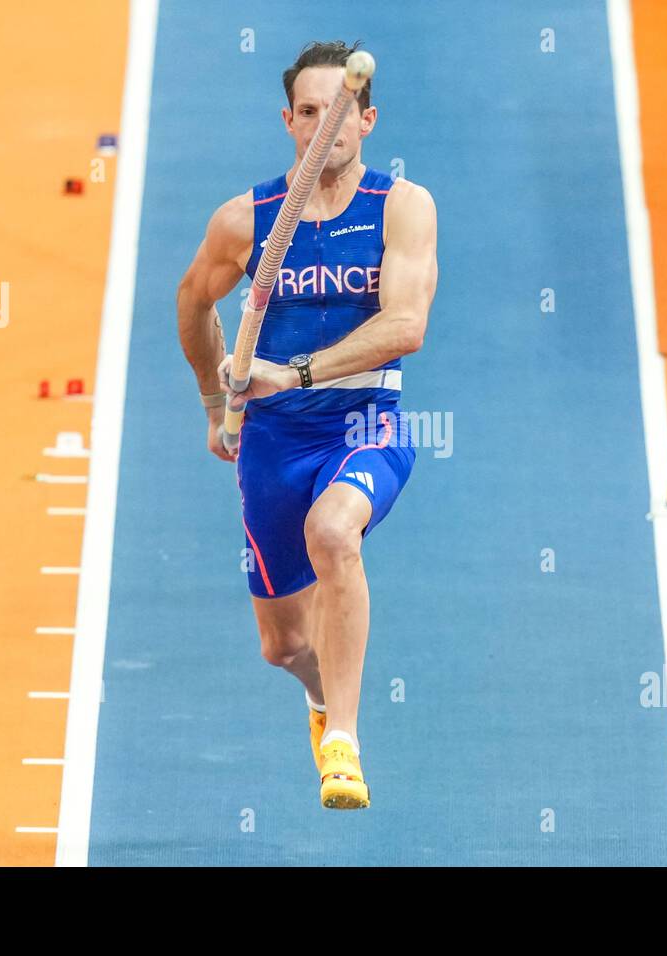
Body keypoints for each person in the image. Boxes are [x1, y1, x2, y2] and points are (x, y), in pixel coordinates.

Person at [175, 40, 439, 809]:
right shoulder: (245, 221)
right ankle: (321, 699)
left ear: (369, 119)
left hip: (365, 424)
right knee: (285, 645)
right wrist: (213, 401)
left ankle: (347, 745)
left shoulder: (401, 207)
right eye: (312, 113)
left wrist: (291, 373)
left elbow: (406, 324)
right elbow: (193, 301)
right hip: (272, 443)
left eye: (343, 112)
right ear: (290, 121)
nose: (329, 127)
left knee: (333, 534)